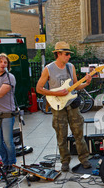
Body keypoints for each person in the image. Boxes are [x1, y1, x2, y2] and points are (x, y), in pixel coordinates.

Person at [36, 41, 92, 172]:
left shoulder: (70, 67)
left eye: (69, 54)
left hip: (72, 104)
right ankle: (65, 161)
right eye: (66, 54)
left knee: (78, 132)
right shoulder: (48, 69)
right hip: (57, 105)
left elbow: (76, 85)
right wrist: (55, 92)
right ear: (58, 54)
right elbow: (39, 88)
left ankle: (84, 159)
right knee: (61, 135)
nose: (69, 56)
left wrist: (86, 83)